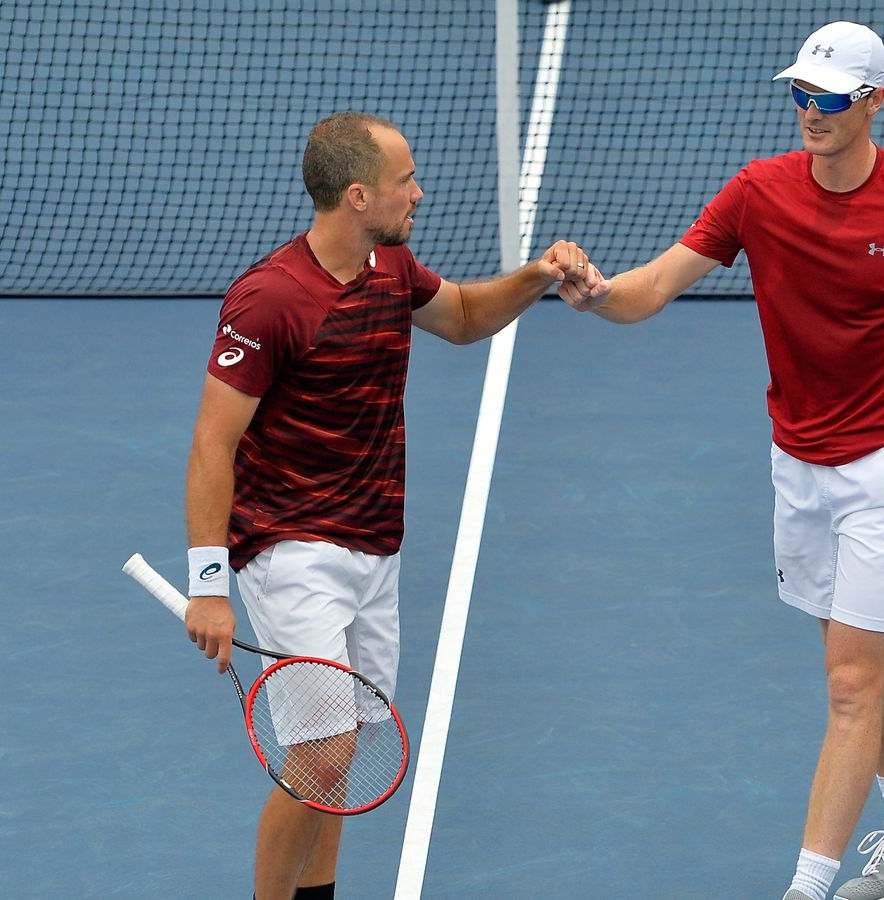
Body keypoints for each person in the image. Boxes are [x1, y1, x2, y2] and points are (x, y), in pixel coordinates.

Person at [559, 21, 884, 900]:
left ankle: (808, 885)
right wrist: (599, 294)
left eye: (829, 97)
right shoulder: (757, 193)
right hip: (797, 463)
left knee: (847, 682)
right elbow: (654, 286)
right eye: (800, 92)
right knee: (856, 656)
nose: (810, 110)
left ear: (874, 102)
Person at [183, 111, 595, 900]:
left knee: (348, 741)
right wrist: (207, 585)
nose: (420, 192)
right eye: (406, 180)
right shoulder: (269, 300)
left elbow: (465, 317)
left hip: (375, 544)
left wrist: (539, 274)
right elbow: (212, 444)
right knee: (322, 753)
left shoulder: (390, 269)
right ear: (359, 196)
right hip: (291, 547)